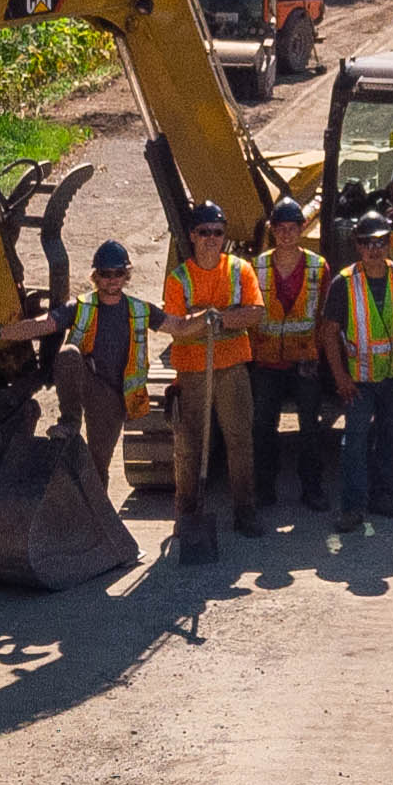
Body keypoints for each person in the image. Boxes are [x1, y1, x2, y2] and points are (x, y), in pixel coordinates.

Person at [160, 201, 262, 540]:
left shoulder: (239, 270)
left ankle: (245, 510)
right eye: (204, 232)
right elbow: (176, 327)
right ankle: (187, 512)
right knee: (189, 444)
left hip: (232, 369)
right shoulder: (179, 279)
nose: (211, 239)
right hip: (192, 373)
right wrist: (210, 320)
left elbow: (255, 313)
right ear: (192, 235)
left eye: (217, 233)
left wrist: (215, 318)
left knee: (240, 439)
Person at [14, 239, 145, 496]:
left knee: (98, 465)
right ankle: (70, 420)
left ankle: (96, 518)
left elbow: (177, 325)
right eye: (106, 274)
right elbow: (44, 324)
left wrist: (211, 320)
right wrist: (0, 334)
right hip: (87, 380)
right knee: (68, 354)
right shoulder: (82, 307)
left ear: (126, 275)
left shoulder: (138, 310)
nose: (112, 280)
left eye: (118, 273)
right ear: (96, 276)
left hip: (114, 397)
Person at [318, 212, 393, 531]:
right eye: (368, 243)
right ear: (358, 247)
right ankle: (352, 507)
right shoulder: (344, 283)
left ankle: (384, 496)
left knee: (392, 438)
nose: (375, 249)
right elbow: (329, 332)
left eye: (381, 242)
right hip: (358, 381)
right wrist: (340, 377)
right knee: (355, 442)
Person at [247, 197, 332, 515]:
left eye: (291, 228)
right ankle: (264, 488)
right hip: (267, 362)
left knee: (310, 427)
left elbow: (324, 315)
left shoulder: (317, 267)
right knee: (262, 426)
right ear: (272, 230)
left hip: (304, 361)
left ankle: (312, 488)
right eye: (280, 229)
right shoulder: (257, 267)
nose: (285, 234)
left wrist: (317, 352)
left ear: (302, 228)